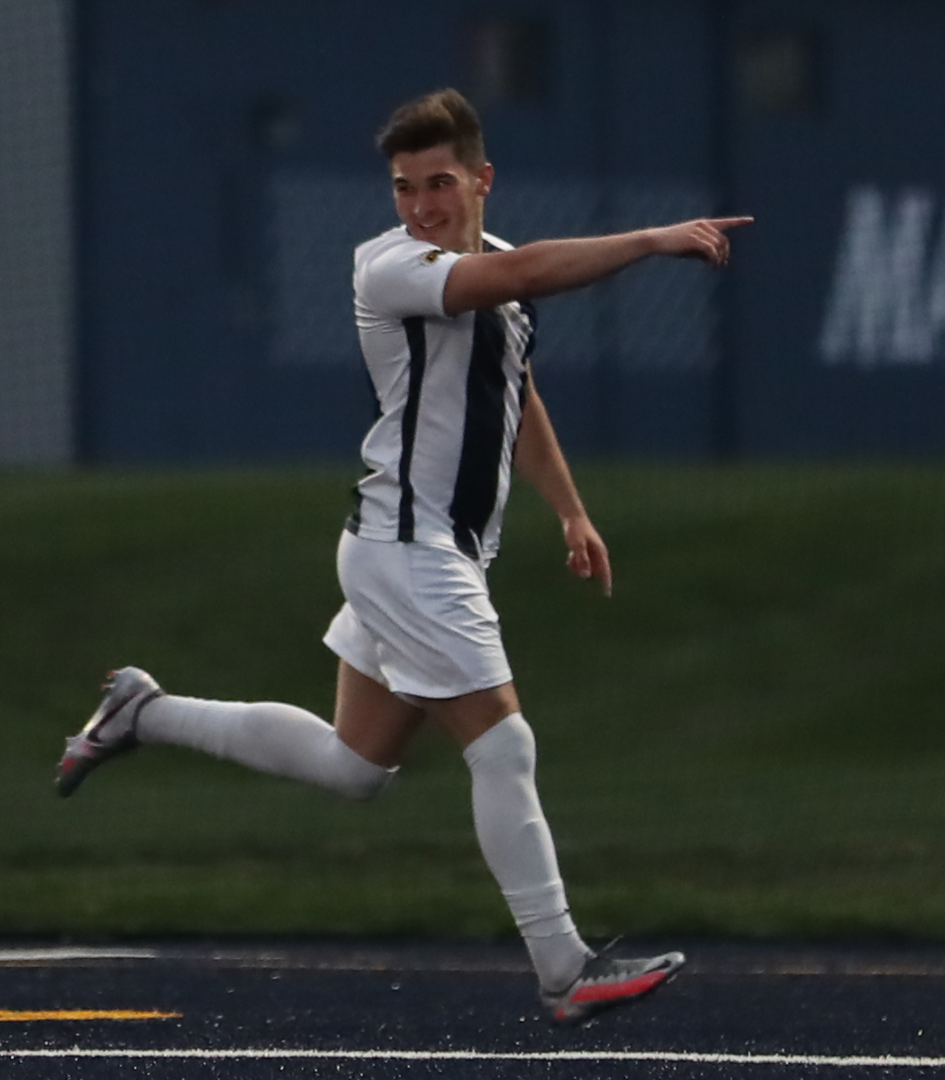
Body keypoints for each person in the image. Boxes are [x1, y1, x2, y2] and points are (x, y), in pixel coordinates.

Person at [54, 87, 751, 1027]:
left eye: (439, 184)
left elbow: (516, 391)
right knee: (504, 746)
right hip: (408, 548)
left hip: (421, 547)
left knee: (354, 767)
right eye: (403, 187)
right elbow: (526, 279)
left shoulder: (497, 265)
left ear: (481, 180)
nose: (420, 204)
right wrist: (654, 239)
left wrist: (571, 510)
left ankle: (148, 712)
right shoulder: (388, 267)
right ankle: (564, 970)